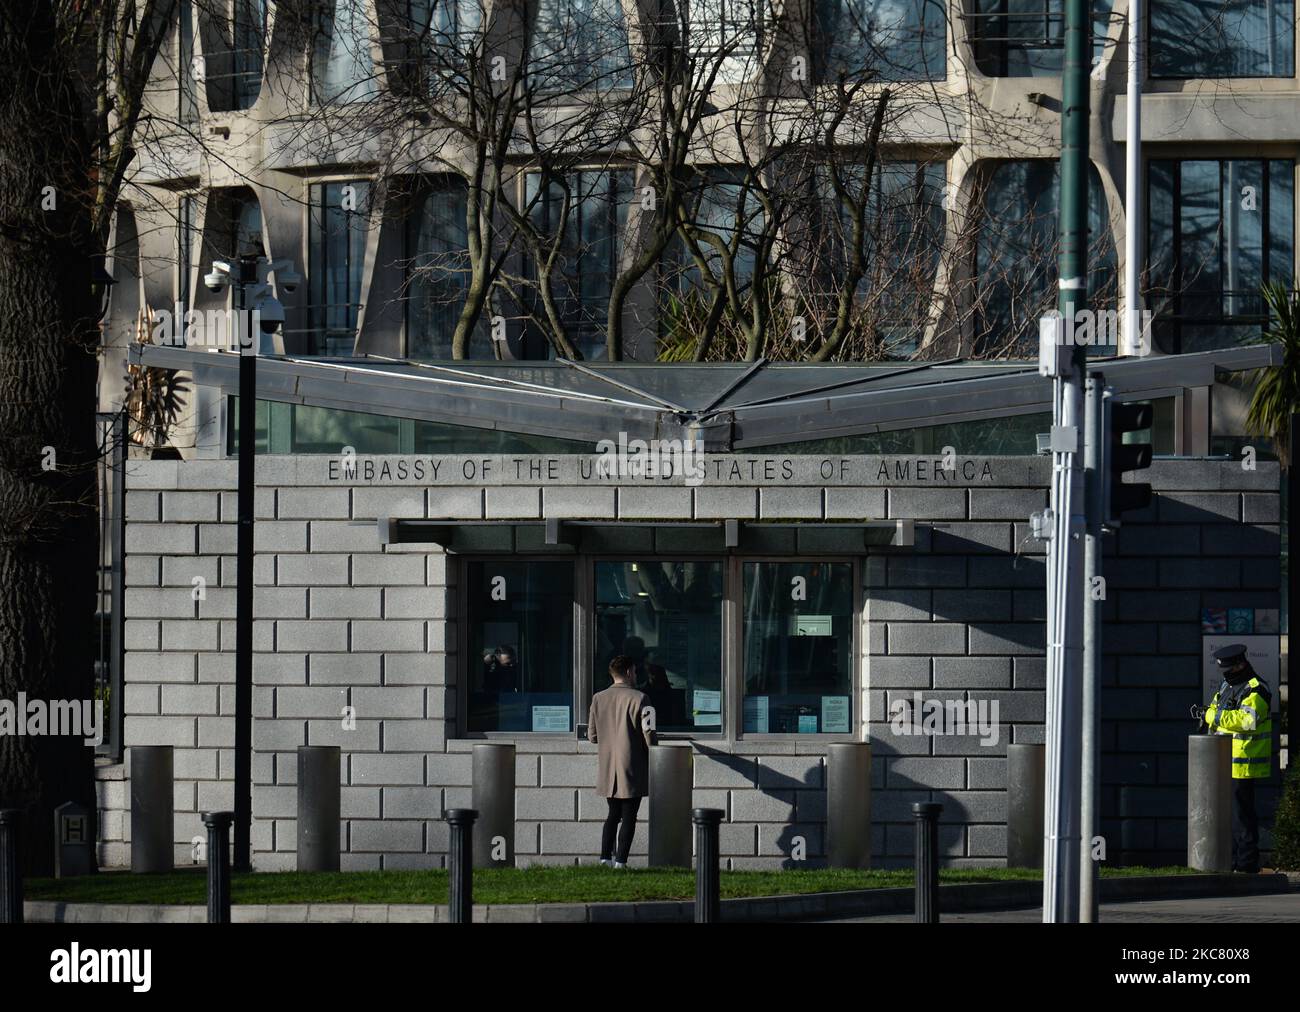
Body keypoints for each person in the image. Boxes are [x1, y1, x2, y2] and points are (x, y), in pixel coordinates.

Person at [1194, 643, 1273, 873]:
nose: (1225, 672)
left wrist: (1211, 714)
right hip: (1222, 761)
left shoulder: (1256, 690)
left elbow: (1246, 721)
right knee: (1228, 817)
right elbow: (1221, 715)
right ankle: (1231, 861)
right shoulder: (1228, 685)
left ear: (1240, 664)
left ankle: (1246, 864)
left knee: (1242, 817)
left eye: (1228, 668)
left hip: (1243, 764)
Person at [587, 655, 656, 868]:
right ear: (628, 672)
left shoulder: (598, 698)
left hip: (608, 768)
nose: (636, 675)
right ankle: (621, 861)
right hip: (633, 766)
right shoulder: (642, 699)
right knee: (629, 816)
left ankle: (605, 858)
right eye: (635, 672)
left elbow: (592, 736)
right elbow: (650, 734)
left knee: (613, 815)